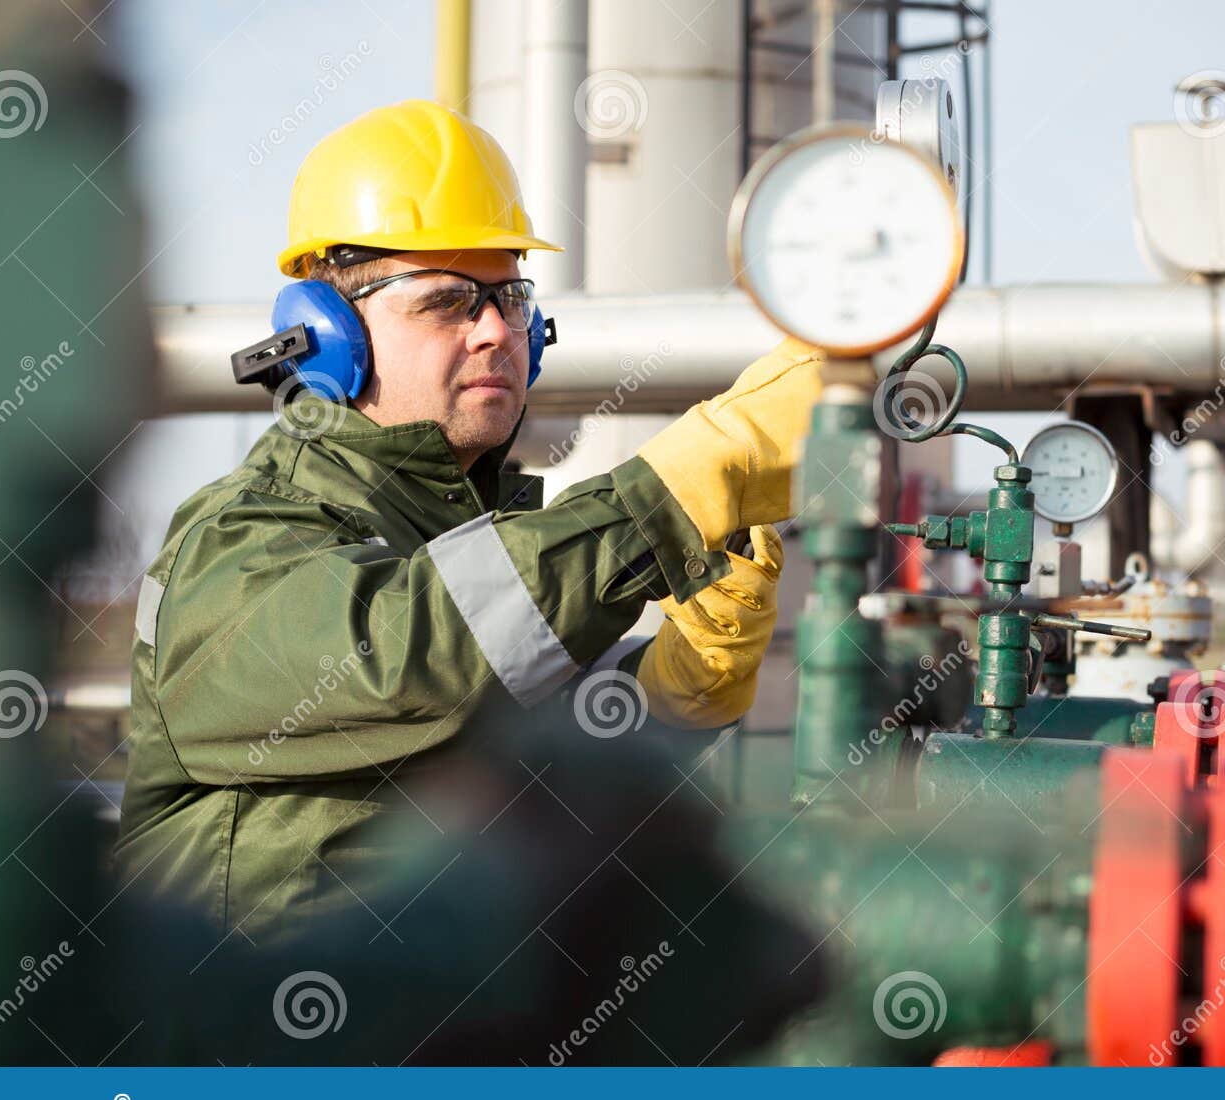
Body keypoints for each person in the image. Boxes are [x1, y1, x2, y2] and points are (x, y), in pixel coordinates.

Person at [112, 100, 828, 940]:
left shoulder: (470, 536)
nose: (495, 330)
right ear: (329, 334)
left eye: (509, 295)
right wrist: (678, 489)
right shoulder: (238, 538)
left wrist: (661, 693)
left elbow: (503, 741)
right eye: (447, 300)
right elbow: (405, 661)